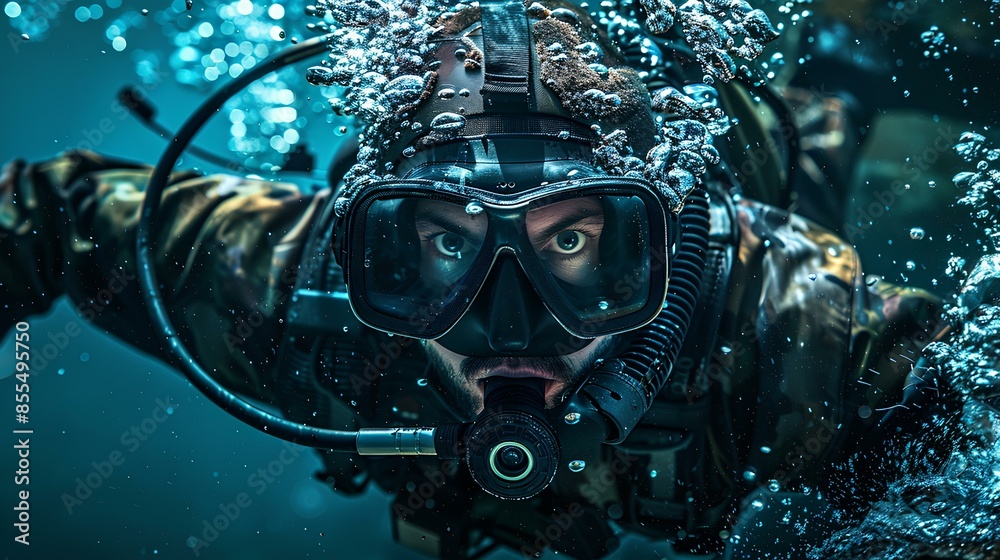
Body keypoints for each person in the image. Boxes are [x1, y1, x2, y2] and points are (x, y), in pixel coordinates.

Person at [1, 0, 997, 558]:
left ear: (664, 247)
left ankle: (839, 53)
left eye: (575, 247)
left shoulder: (788, 323)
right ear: (371, 249)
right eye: (441, 245)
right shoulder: (296, 292)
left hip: (745, 171)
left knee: (816, 123)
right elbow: (47, 211)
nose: (507, 321)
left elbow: (961, 465)